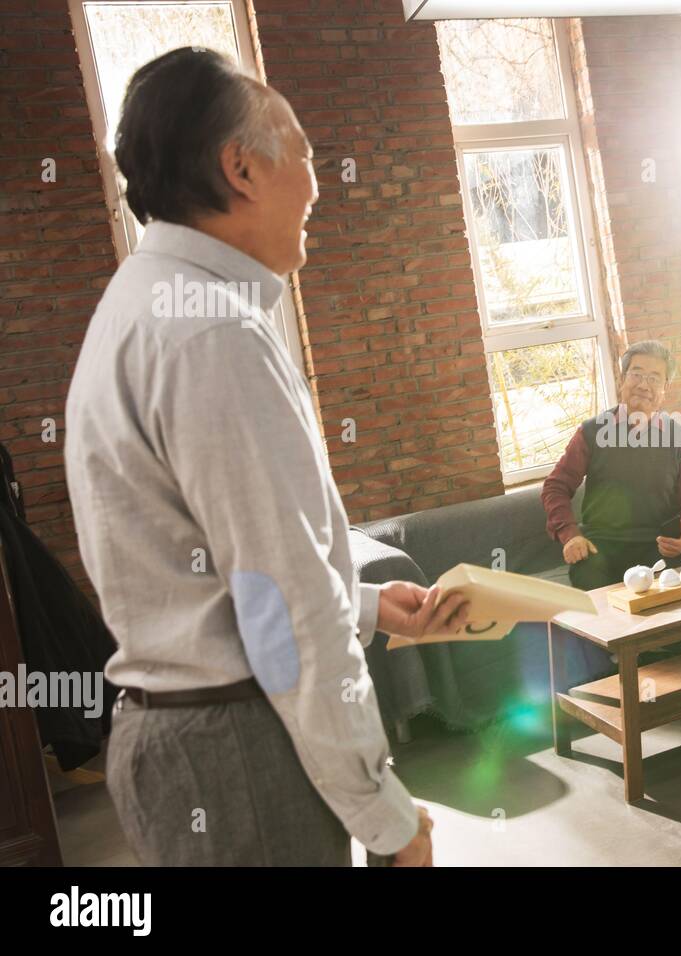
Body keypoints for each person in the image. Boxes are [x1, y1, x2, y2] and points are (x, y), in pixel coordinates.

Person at [64, 48, 470, 866]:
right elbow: (281, 610)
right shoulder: (212, 333)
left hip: (188, 741)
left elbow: (227, 576)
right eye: (307, 155)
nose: (318, 185)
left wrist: (360, 605)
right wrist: (385, 816)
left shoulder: (145, 301)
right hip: (237, 753)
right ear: (240, 168)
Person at [542, 340, 681, 590]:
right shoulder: (591, 432)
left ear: (665, 388)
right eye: (637, 374)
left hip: (661, 546)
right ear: (622, 379)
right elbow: (555, 487)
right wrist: (571, 536)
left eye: (654, 378)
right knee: (591, 583)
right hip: (601, 547)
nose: (644, 385)